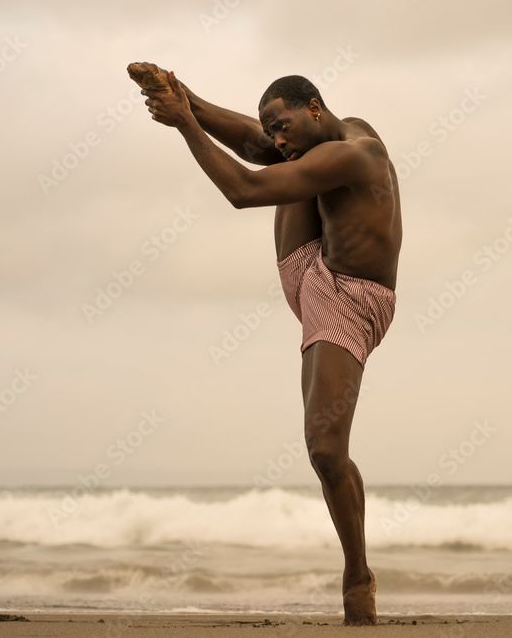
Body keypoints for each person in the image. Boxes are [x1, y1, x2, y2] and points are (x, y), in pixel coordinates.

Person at [139, 65, 402, 626]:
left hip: (351, 298)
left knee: (325, 450)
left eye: (284, 125)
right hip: (313, 271)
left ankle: (358, 576)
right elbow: (261, 150)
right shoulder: (320, 138)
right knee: (278, 160)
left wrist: (186, 125)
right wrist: (190, 100)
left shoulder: (360, 153)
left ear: (314, 107)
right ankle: (183, 91)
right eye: (273, 131)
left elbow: (244, 190)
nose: (278, 139)